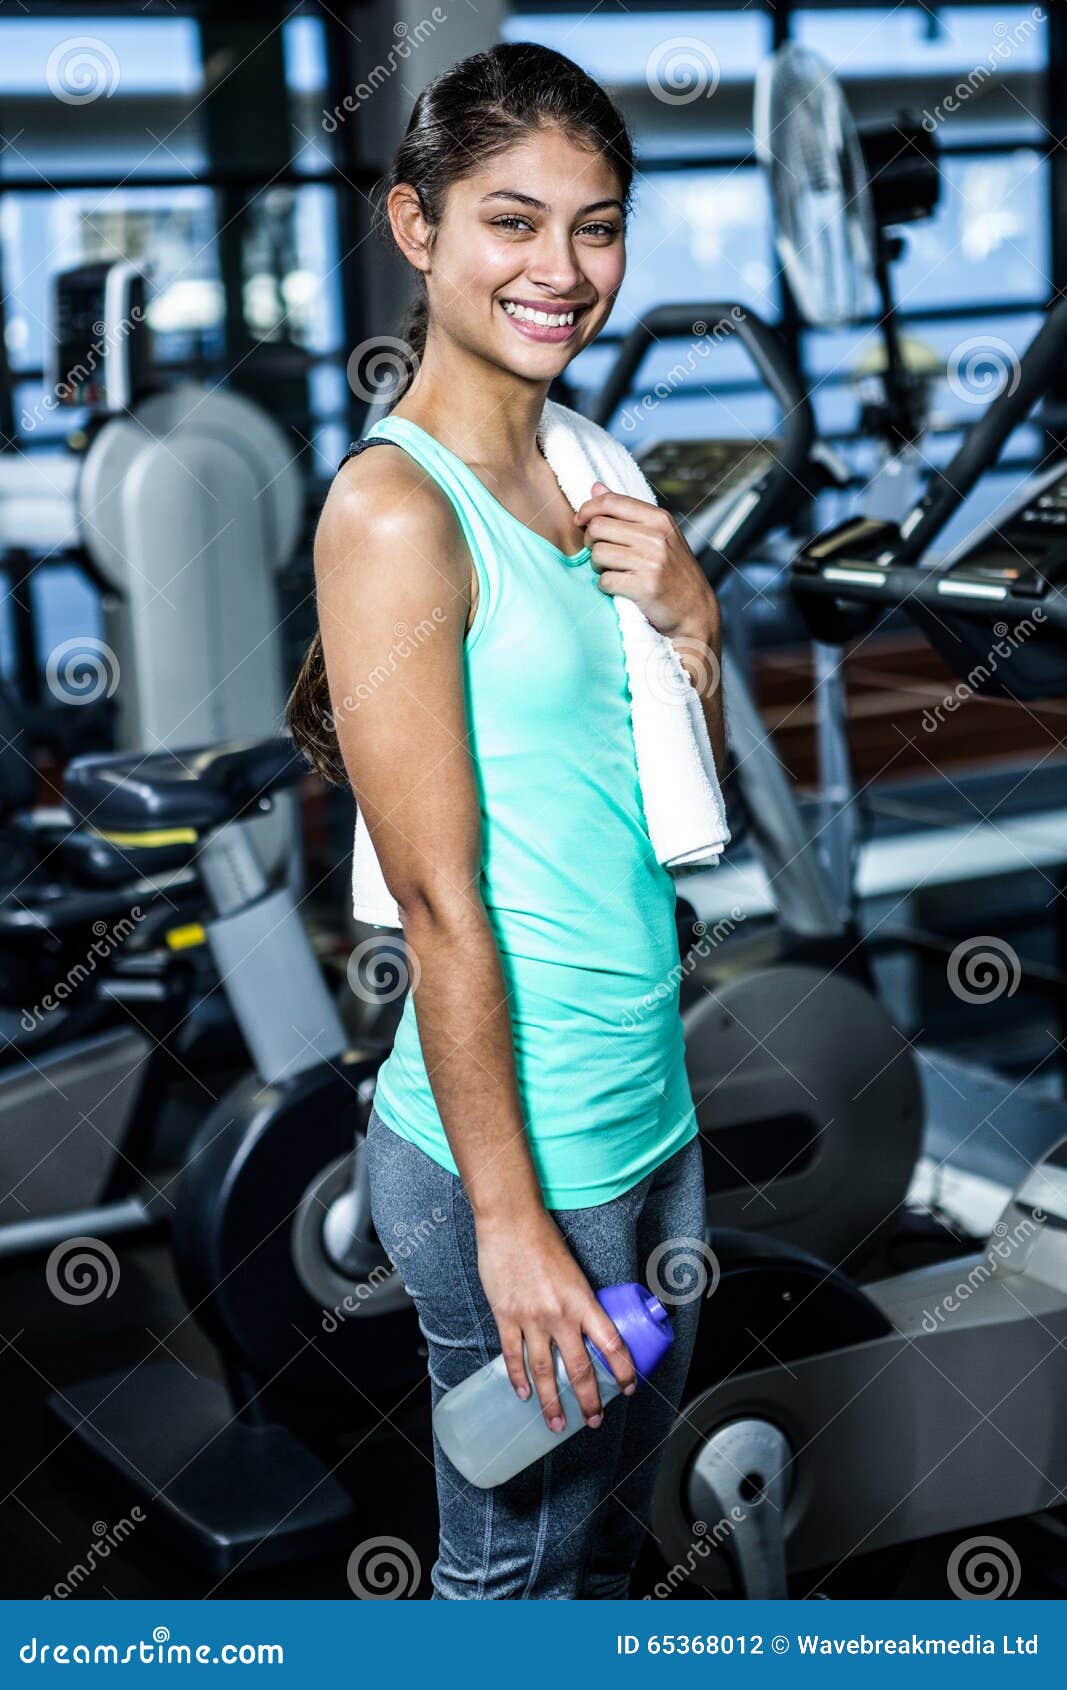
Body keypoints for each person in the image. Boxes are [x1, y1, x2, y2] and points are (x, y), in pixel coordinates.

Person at [287, 41, 726, 1600]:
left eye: (596, 225)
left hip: (646, 1115)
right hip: (514, 1161)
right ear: (418, 227)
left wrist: (697, 620)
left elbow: (665, 809)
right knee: (514, 1574)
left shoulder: (583, 475)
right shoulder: (395, 510)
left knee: (608, 1536)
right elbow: (439, 901)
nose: (563, 268)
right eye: (513, 221)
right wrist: (509, 1227)